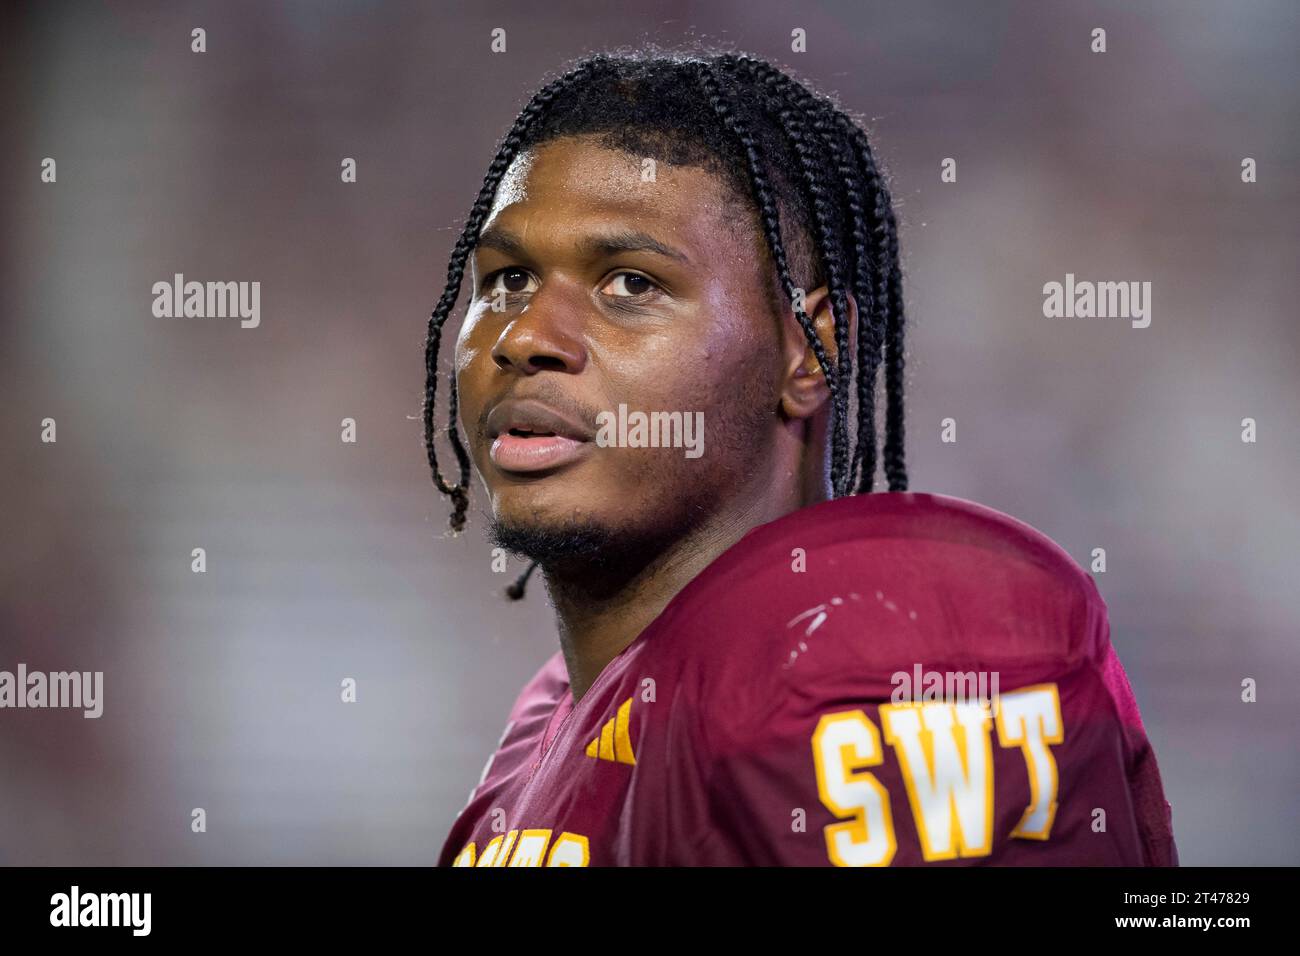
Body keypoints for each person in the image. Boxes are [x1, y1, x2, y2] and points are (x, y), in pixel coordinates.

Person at [421, 50, 1177, 866]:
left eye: (631, 284)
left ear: (809, 351)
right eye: (505, 280)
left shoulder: (869, 646)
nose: (526, 335)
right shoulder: (554, 721)